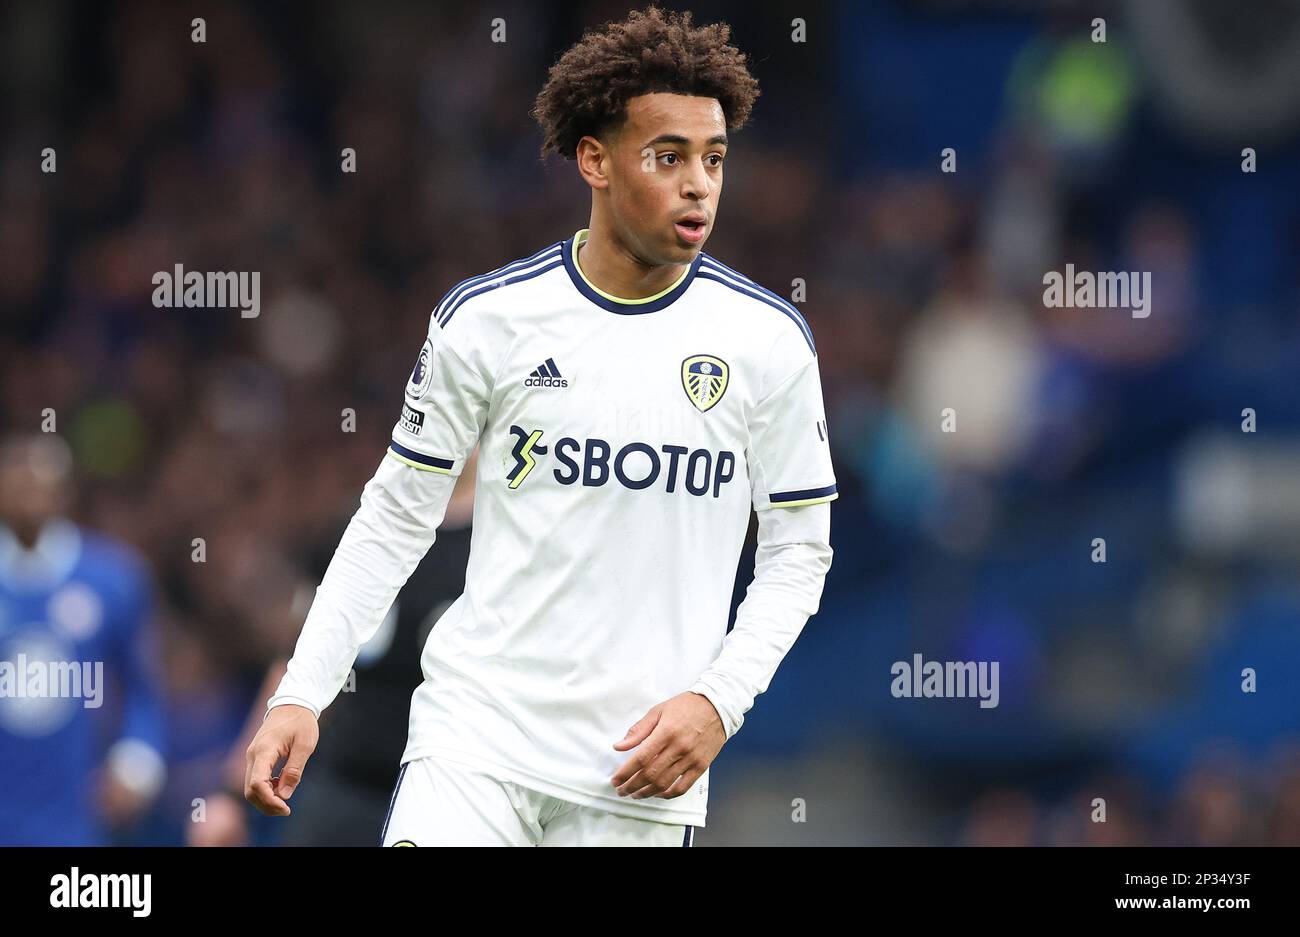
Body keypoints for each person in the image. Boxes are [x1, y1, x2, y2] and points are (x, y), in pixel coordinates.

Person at [246, 5, 836, 846]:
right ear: (593, 160)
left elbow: (798, 552)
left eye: (713, 158)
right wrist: (302, 690)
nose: (699, 183)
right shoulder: (490, 320)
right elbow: (395, 515)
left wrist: (718, 701)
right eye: (668, 157)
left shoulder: (768, 343)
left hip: (637, 773)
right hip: (474, 747)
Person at [189, 450, 475, 846]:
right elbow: (300, 664)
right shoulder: (365, 529)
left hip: (449, 800)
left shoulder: (504, 548)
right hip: (345, 786)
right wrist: (229, 794)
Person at [0, 434, 166, 845]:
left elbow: (144, 685)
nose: (28, 494)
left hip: (74, 809)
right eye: (17, 480)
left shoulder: (113, 579)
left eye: (39, 481)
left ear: (65, 492)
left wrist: (136, 761)